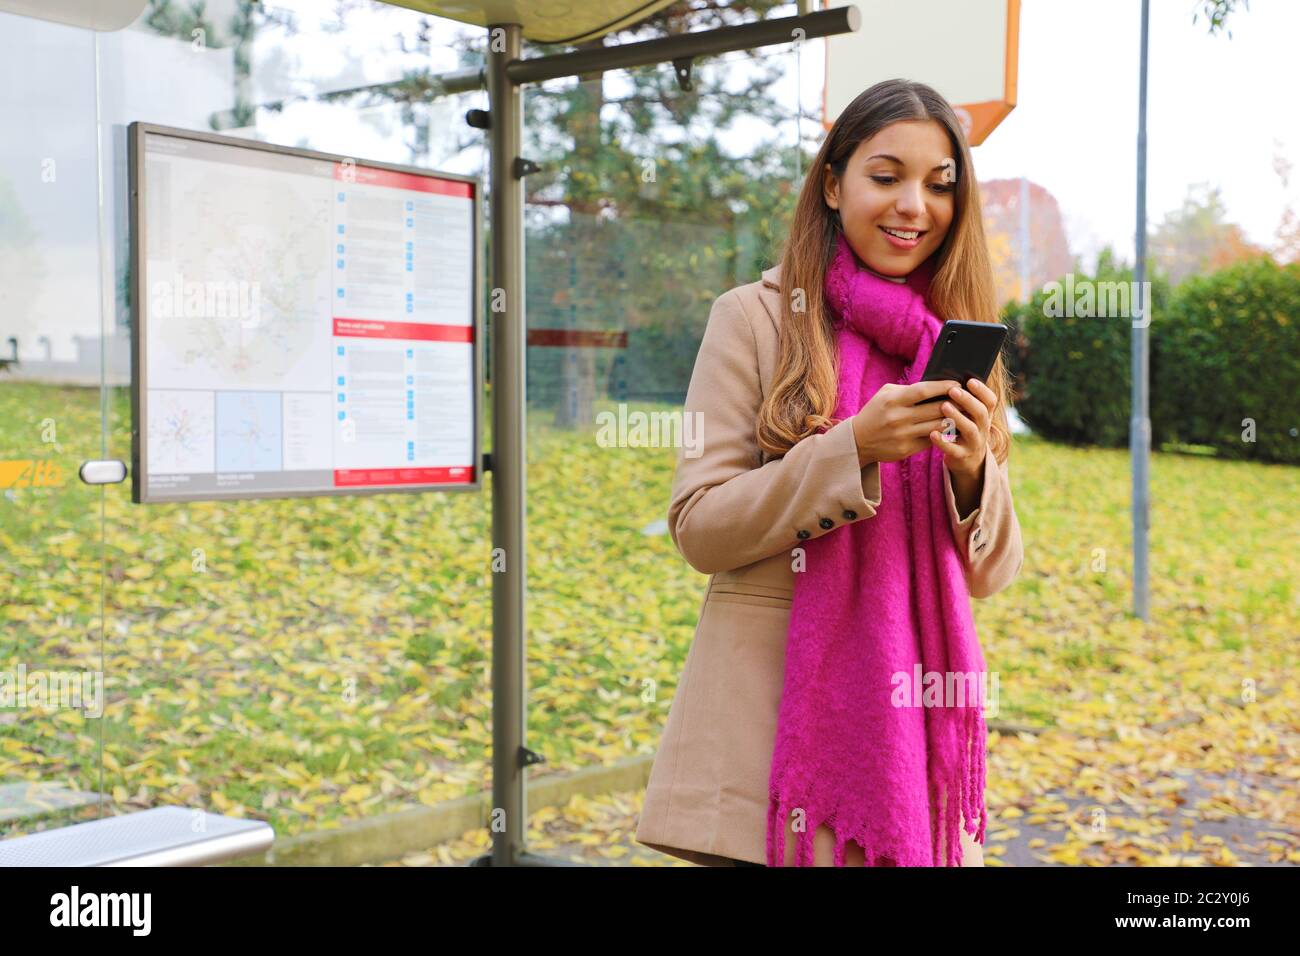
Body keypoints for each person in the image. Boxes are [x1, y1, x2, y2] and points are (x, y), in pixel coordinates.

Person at [635, 79, 1024, 867]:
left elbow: (992, 572)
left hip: (910, 749)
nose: (914, 205)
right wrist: (852, 450)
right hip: (771, 757)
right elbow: (700, 528)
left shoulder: (950, 340)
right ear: (833, 182)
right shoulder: (754, 318)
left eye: (939, 184)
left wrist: (974, 471)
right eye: (886, 176)